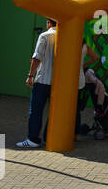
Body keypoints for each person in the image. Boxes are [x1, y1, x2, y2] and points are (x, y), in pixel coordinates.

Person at [18, 19, 95, 149]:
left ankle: (33, 139)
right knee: (55, 111)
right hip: (59, 82)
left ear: (49, 23)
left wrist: (30, 75)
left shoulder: (45, 36)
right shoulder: (69, 37)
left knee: (36, 110)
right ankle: (50, 137)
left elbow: (37, 58)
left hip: (43, 80)